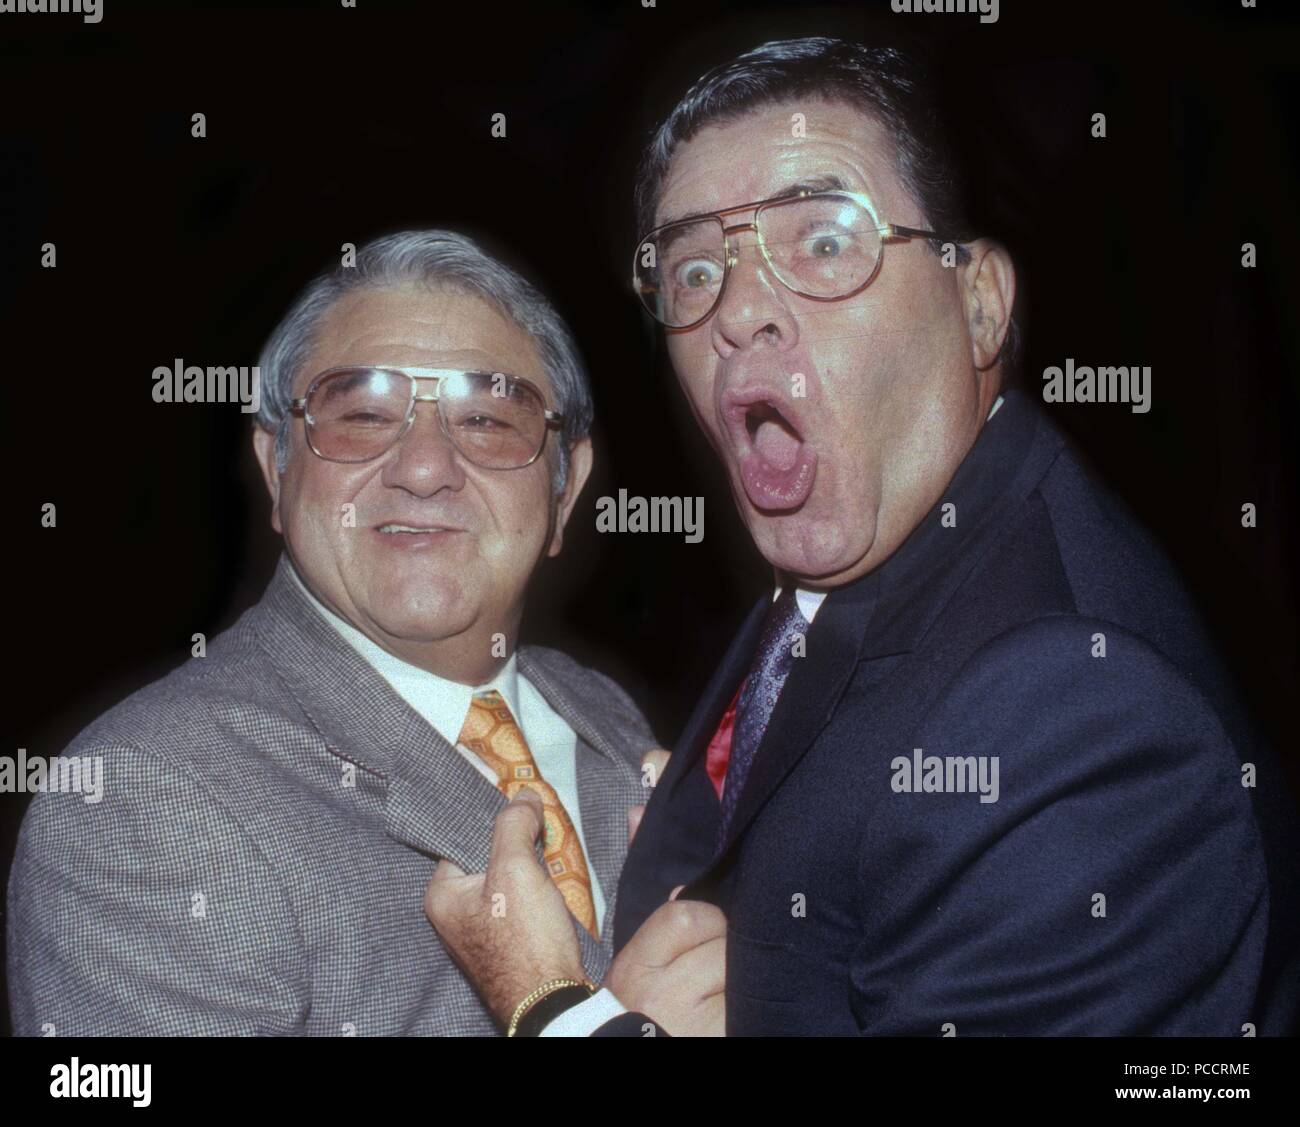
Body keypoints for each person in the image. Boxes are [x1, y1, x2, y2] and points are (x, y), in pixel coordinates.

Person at [426, 38, 1300, 1035]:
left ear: (979, 303)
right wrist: (710, 822)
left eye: (825, 240)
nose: (740, 309)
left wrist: (556, 1007)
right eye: (695, 267)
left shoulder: (1081, 718)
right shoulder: (892, 522)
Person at [7, 230, 722, 1036]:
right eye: (362, 415)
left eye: (486, 418)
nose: (423, 466)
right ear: (277, 468)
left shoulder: (603, 715)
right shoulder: (139, 802)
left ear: (566, 489)